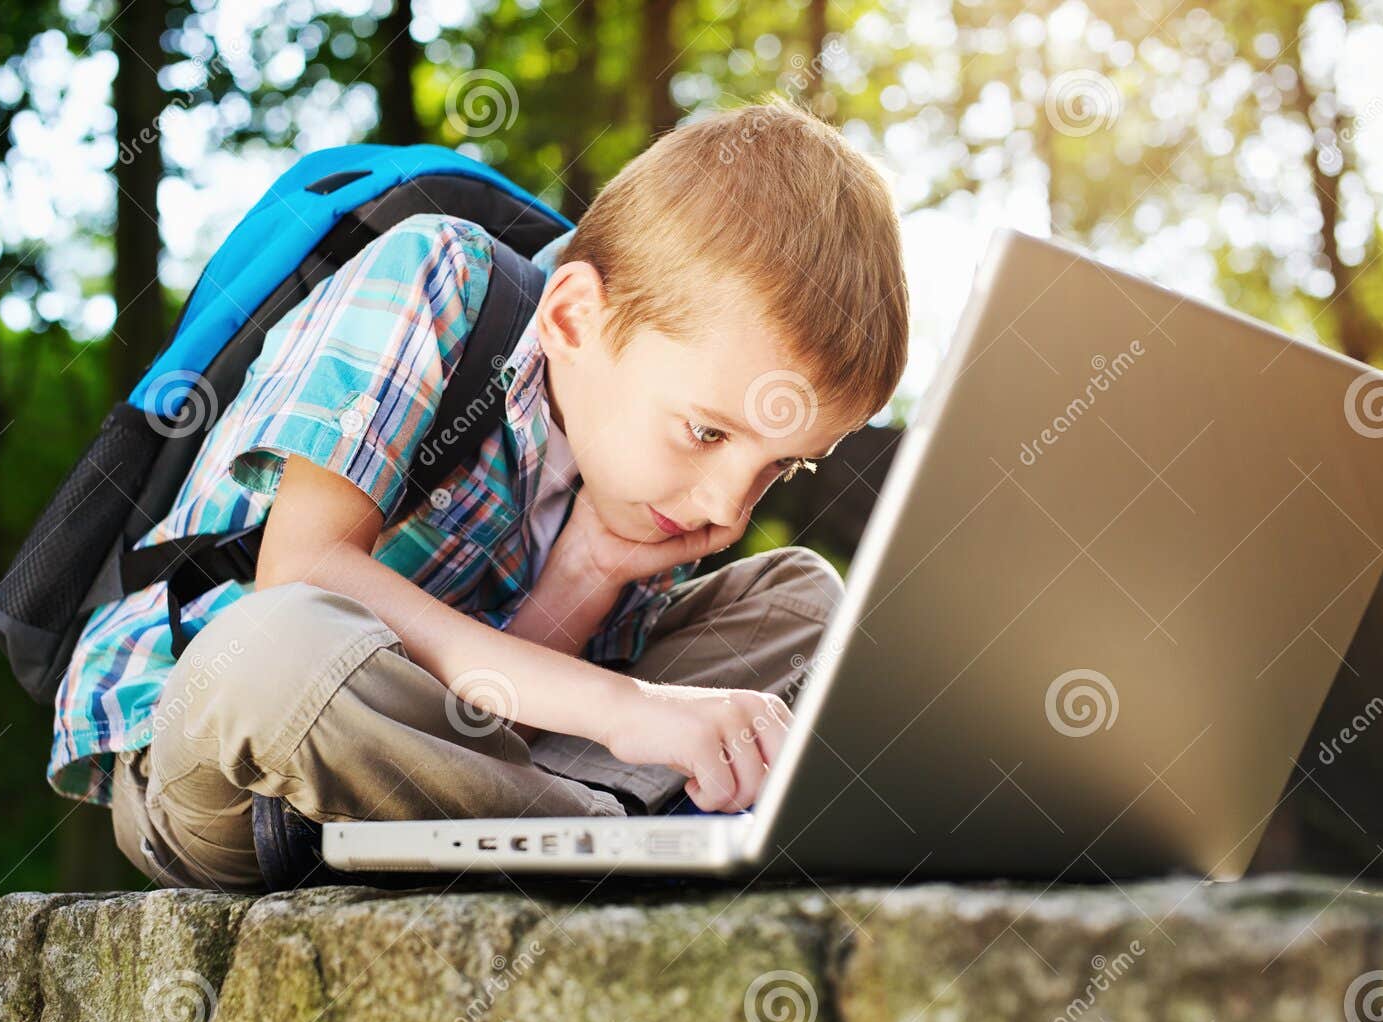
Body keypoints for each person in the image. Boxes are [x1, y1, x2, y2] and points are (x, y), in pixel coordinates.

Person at [53, 98, 910, 891]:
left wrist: (587, 571)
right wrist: (625, 708)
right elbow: (301, 571)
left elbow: (490, 724)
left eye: (780, 466)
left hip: (472, 766)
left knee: (801, 599)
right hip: (241, 760)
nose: (728, 506)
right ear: (575, 320)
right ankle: (615, 838)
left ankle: (562, 832)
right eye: (709, 432)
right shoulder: (439, 277)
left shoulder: (641, 479)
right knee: (279, 645)